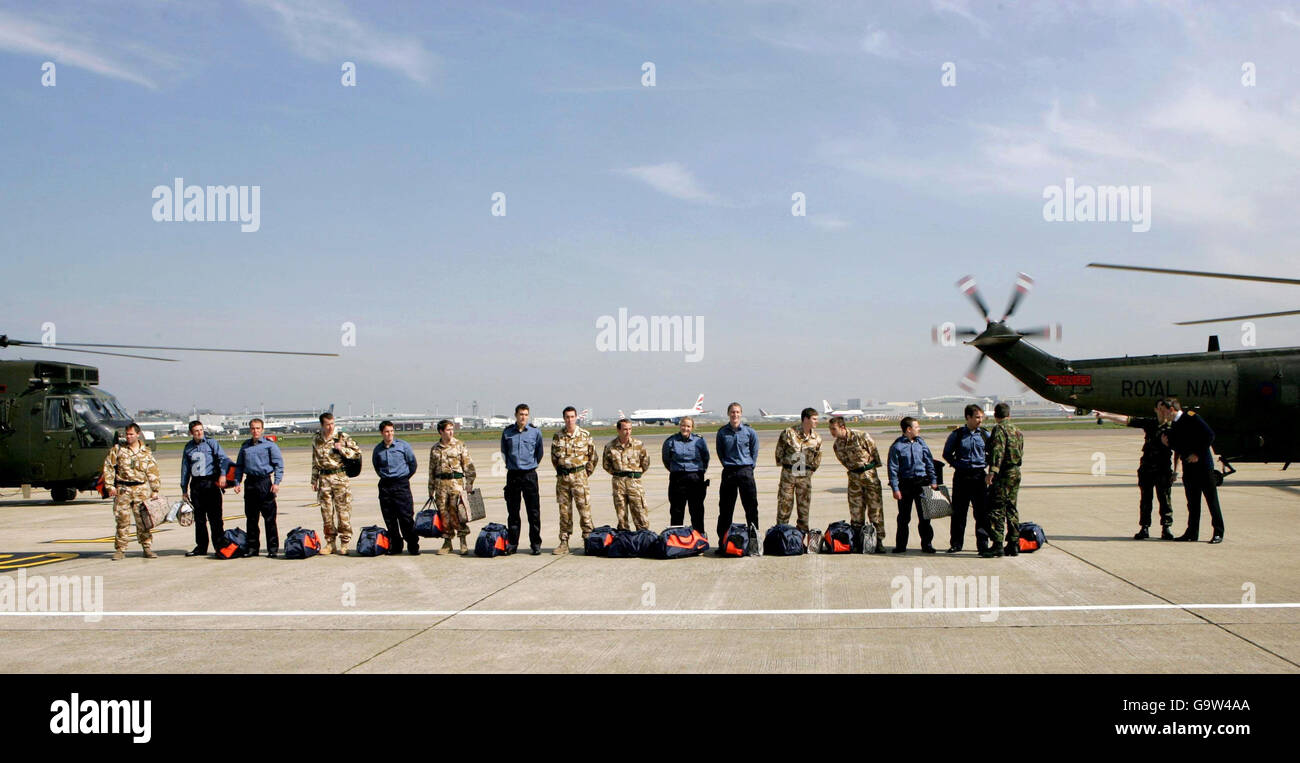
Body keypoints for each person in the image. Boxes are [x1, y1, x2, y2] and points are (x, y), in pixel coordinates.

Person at [1096, 405, 1176, 540]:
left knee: (1165, 499)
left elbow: (1179, 450)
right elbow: (1127, 420)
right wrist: (1106, 415)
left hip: (1163, 468)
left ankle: (1166, 528)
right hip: (1147, 467)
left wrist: (1176, 471)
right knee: (1146, 499)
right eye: (1159, 409)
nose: (1162, 412)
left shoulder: (1172, 426)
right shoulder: (1149, 423)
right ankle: (1144, 528)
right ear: (1155, 410)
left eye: (1164, 409)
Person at [1161, 398, 1225, 544]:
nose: (1163, 414)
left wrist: (1197, 453)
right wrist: (1168, 444)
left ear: (1171, 409)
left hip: (1203, 465)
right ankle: (1192, 532)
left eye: (1164, 411)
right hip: (1189, 467)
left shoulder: (1191, 417)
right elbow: (1181, 445)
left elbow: (1209, 435)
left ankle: (1218, 532)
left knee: (1211, 500)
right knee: (1192, 501)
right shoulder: (1175, 424)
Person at [101, 423, 162, 560]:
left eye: (131, 434)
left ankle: (147, 547)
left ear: (137, 434)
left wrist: (155, 489)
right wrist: (110, 486)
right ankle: (120, 549)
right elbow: (109, 467)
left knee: (143, 521)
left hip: (140, 489)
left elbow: (152, 471)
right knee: (122, 521)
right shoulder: (118, 450)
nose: (128, 437)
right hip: (123, 489)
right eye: (126, 434)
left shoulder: (145, 452)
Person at [829, 416, 887, 553]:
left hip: (869, 476)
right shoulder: (837, 445)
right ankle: (857, 541)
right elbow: (844, 462)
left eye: (834, 429)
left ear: (842, 427)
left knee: (875, 510)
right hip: (854, 478)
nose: (832, 432)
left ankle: (878, 540)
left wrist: (869, 469)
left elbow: (875, 454)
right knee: (856, 512)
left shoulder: (861, 436)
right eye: (830, 429)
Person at [942, 404, 991, 554]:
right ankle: (956, 544)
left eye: (981, 417)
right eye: (977, 417)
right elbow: (947, 453)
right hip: (962, 477)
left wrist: (986, 464)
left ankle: (982, 545)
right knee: (959, 512)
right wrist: (958, 465)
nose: (980, 420)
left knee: (981, 513)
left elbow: (992, 452)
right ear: (968, 417)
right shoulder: (957, 435)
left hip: (979, 477)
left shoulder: (984, 434)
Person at [232, 418, 285, 558]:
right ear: (250, 430)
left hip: (264, 483)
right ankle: (252, 548)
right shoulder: (245, 447)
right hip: (250, 483)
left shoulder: (270, 446)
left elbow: (279, 465)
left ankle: (272, 549)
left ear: (262, 429)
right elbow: (239, 466)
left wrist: (276, 482)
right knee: (251, 519)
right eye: (253, 428)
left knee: (269, 519)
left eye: (258, 428)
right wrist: (237, 482)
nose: (255, 431)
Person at [311, 412, 362, 556]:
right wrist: (314, 480)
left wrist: (342, 449)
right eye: (327, 424)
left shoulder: (342, 437)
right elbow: (315, 461)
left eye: (332, 423)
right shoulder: (316, 439)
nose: (330, 427)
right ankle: (330, 543)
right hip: (324, 479)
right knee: (326, 513)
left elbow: (357, 453)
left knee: (343, 512)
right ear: (322, 425)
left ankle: (345, 543)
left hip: (339, 478)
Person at [887, 417, 938, 554]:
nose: (919, 429)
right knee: (903, 518)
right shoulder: (897, 446)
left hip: (922, 483)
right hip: (905, 485)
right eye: (916, 427)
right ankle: (901, 545)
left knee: (925, 517)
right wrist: (895, 488)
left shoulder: (921, 443)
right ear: (908, 429)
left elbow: (929, 462)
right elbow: (892, 469)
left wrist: (933, 480)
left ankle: (927, 544)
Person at [180, 420, 230, 557]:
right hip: (196, 485)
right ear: (191, 433)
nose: (199, 433)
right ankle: (201, 547)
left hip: (211, 483)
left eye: (201, 430)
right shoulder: (188, 447)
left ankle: (219, 546)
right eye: (196, 431)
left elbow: (223, 459)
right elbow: (185, 469)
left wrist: (223, 475)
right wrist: (184, 489)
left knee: (215, 518)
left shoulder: (211, 443)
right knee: (200, 519)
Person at [551, 406, 597, 555]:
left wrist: (584, 473)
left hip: (579, 478)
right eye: (567, 417)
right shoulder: (558, 436)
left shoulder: (585, 435)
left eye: (572, 417)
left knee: (584, 510)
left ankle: (588, 541)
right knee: (564, 512)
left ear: (576, 417)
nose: (569, 420)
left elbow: (593, 457)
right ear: (564, 418)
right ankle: (564, 542)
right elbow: (554, 458)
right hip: (563, 479)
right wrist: (563, 472)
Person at [428, 419, 477, 555]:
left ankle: (463, 541)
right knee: (444, 514)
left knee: (457, 513)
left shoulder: (459, 445)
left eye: (452, 429)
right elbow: (431, 470)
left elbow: (468, 465)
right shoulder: (435, 449)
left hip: (456, 484)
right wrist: (430, 489)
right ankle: (447, 542)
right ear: (441, 431)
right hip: (440, 485)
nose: (451, 432)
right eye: (448, 429)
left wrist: (469, 483)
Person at [501, 403, 544, 555]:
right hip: (513, 475)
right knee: (513, 512)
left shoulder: (535, 432)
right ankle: (512, 543)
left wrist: (530, 466)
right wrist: (513, 466)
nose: (523, 417)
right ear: (516, 415)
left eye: (526, 414)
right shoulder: (507, 433)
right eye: (521, 414)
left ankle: (535, 543)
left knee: (533, 512)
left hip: (529, 475)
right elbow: (504, 452)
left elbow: (539, 453)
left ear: (528, 416)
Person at [715, 402, 760, 543]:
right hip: (729, 472)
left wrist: (749, 467)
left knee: (751, 507)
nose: (735, 415)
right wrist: (728, 465)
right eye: (732, 412)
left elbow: (754, 451)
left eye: (737, 412)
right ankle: (723, 541)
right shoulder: (722, 432)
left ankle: (754, 541)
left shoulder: (749, 432)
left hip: (745, 471)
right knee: (725, 509)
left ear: (741, 414)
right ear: (728, 414)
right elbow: (720, 452)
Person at [983, 403, 1024, 558]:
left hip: (1004, 473)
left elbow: (997, 451)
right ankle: (1014, 543)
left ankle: (998, 544)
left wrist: (992, 472)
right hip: (1015, 471)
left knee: (997, 507)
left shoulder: (999, 429)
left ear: (996, 415)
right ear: (1009, 414)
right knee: (1011, 507)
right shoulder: (1017, 430)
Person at [373, 420, 419, 555]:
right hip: (385, 486)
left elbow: (412, 464)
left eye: (392, 431)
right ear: (382, 433)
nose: (390, 434)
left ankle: (412, 545)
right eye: (387, 432)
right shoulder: (378, 449)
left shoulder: (403, 446)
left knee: (406, 517)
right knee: (390, 518)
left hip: (401, 485)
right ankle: (396, 545)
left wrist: (403, 478)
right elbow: (377, 466)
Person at [774, 407, 822, 532]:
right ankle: (781, 534)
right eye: (814, 419)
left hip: (804, 476)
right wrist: (787, 466)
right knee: (784, 506)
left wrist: (809, 472)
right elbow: (779, 453)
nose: (817, 422)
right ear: (806, 419)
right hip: (789, 475)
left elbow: (817, 458)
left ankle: (801, 537)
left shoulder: (816, 438)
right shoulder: (789, 433)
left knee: (804, 509)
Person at [662, 416, 710, 532]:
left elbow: (706, 458)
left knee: (697, 510)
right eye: (683, 425)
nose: (685, 428)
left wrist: (699, 472)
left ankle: (699, 538)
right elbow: (666, 459)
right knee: (676, 511)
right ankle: (676, 539)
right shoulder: (671, 441)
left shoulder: (699, 441)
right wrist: (676, 470)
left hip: (695, 479)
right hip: (677, 479)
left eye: (688, 426)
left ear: (692, 427)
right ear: (680, 426)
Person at [602, 419, 651, 531]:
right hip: (619, 484)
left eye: (629, 429)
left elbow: (645, 463)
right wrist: (619, 474)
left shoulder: (638, 445)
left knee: (640, 514)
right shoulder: (610, 446)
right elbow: (606, 465)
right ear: (618, 430)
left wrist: (634, 474)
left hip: (634, 483)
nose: (628, 432)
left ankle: (643, 540)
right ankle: (624, 541)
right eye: (625, 429)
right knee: (621, 515)